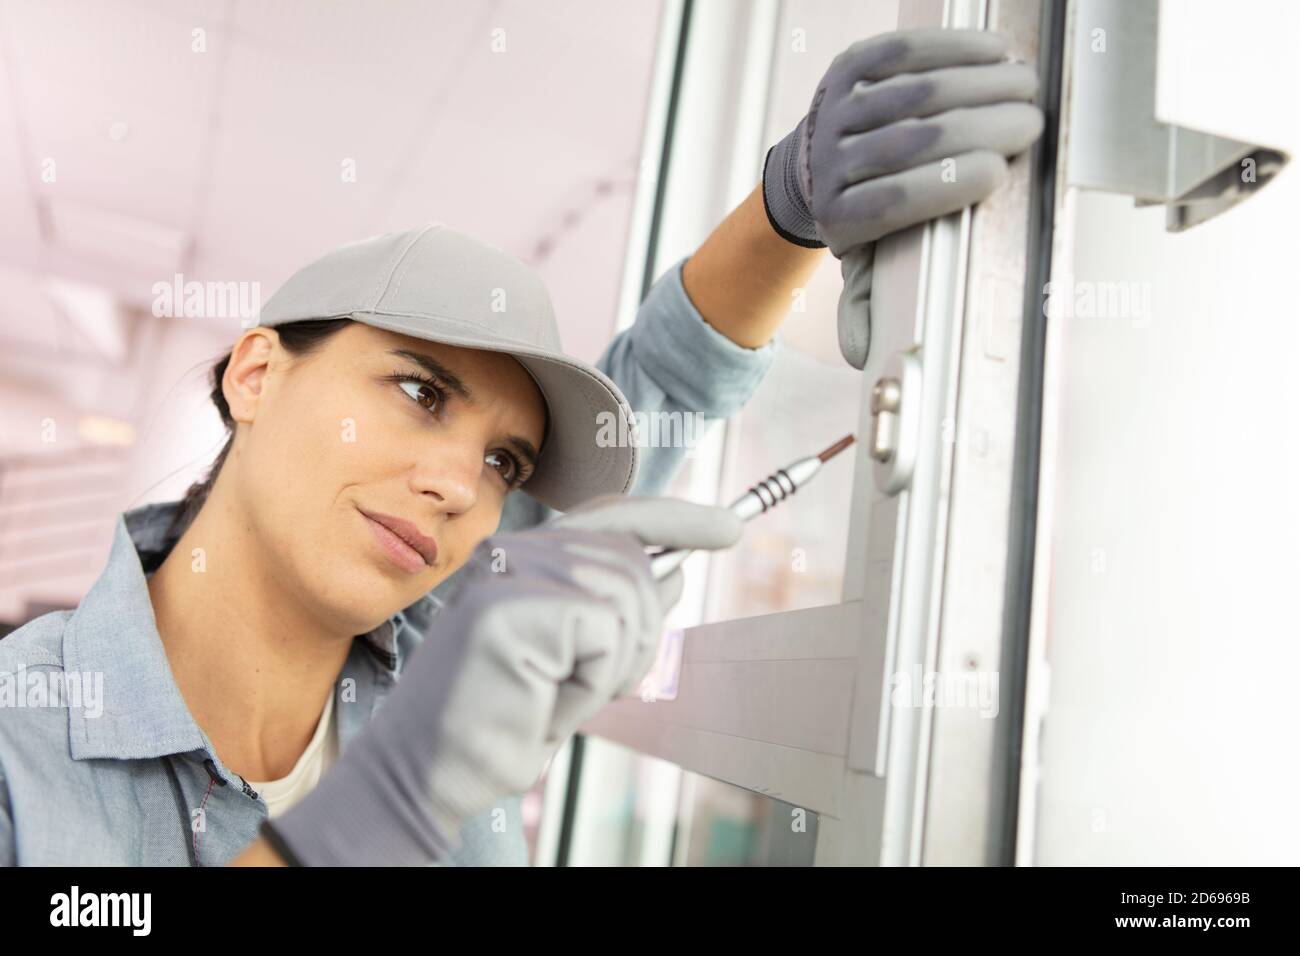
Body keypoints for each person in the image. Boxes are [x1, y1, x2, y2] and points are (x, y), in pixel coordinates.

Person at [0, 28, 1042, 866]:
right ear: (257, 372)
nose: (458, 482)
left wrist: (792, 203)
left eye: (506, 460)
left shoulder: (435, 638)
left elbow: (665, 382)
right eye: (418, 390)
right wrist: (382, 808)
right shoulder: (22, 743)